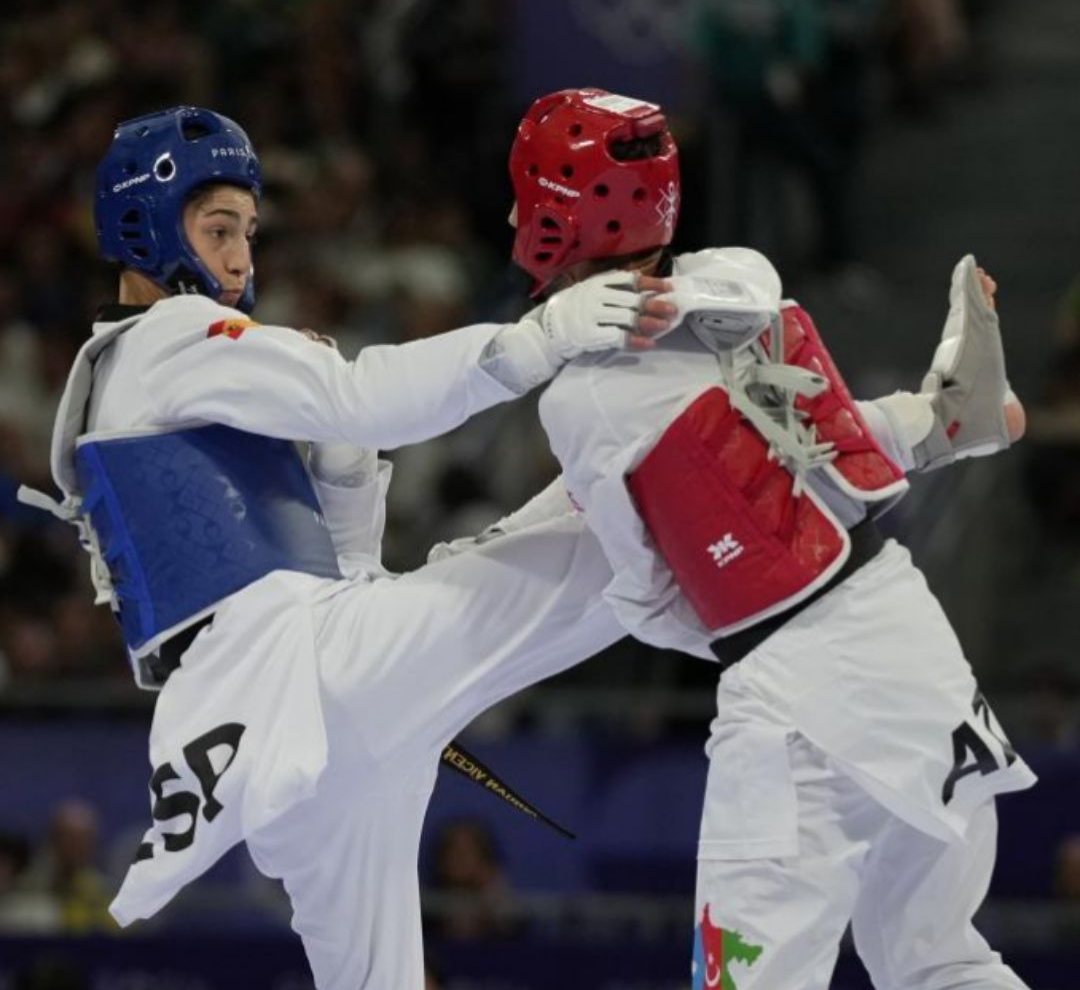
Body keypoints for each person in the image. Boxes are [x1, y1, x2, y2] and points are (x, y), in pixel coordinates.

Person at [17, 105, 681, 989]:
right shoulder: (168, 337)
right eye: (218, 229)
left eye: (249, 232)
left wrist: (345, 475)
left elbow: (347, 570)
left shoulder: (141, 374)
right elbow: (367, 392)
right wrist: (540, 340)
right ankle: (772, 497)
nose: (242, 258)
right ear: (143, 225)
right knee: (624, 531)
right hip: (313, 673)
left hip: (298, 735)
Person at [503, 88, 1034, 989]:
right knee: (936, 956)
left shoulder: (580, 393)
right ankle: (940, 418)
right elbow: (790, 448)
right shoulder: (738, 282)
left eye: (524, 197)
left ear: (558, 214)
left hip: (795, 691)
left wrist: (672, 619)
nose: (513, 215)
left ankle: (943, 420)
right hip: (909, 636)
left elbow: (642, 574)